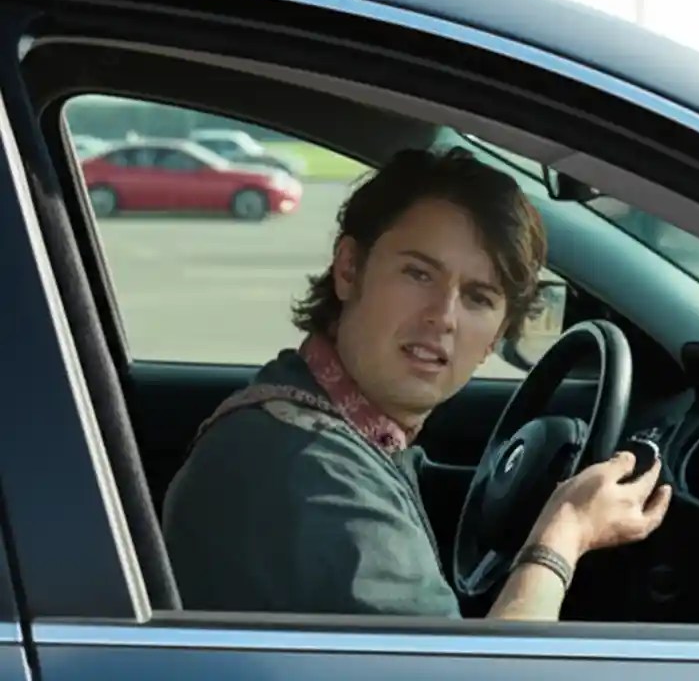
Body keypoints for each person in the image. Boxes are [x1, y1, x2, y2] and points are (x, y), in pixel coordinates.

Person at [161, 147, 673, 620]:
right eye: (418, 275)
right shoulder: (315, 481)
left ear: (497, 334)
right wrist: (565, 533)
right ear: (348, 269)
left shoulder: (311, 423)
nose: (443, 316)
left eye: (478, 297)